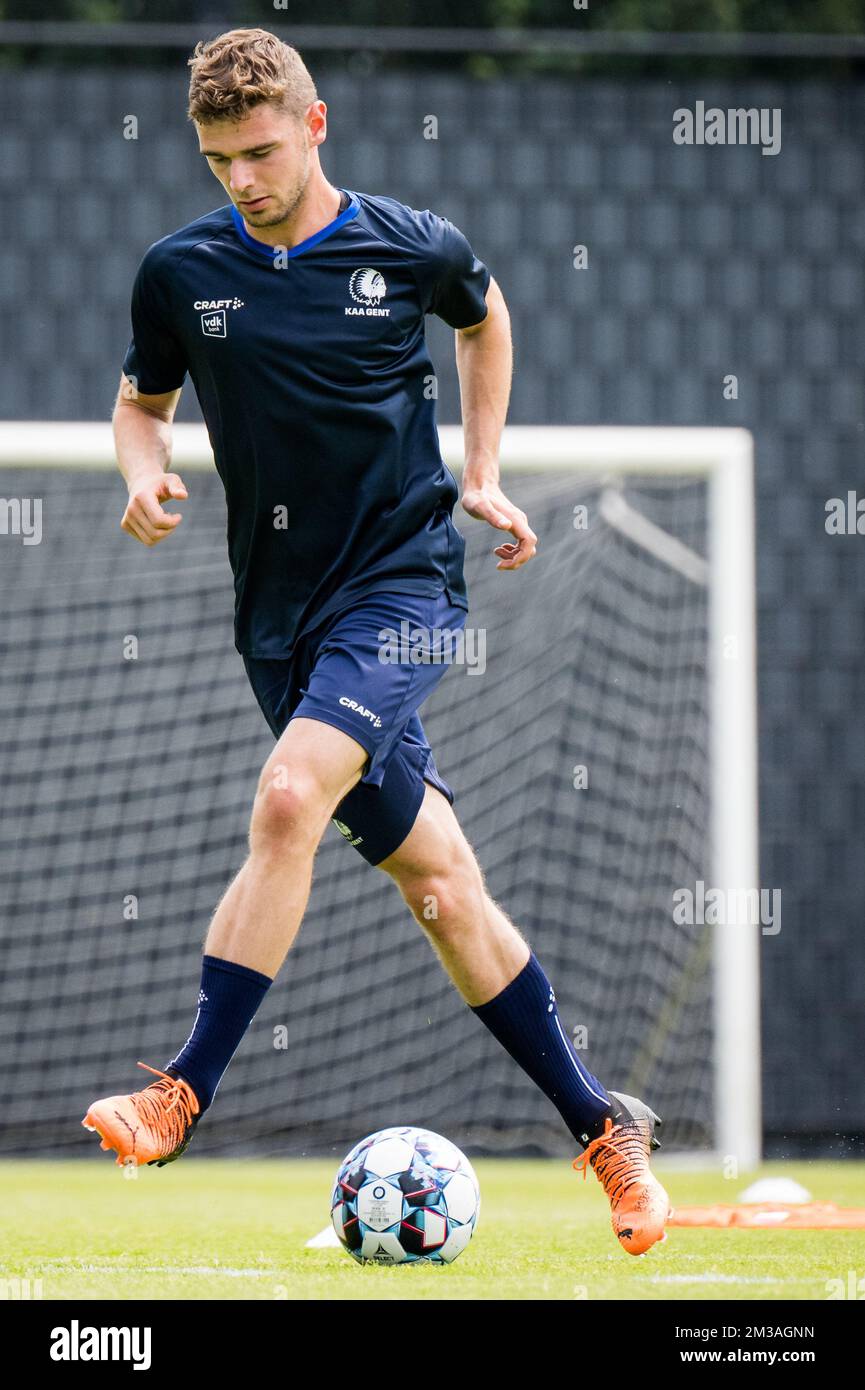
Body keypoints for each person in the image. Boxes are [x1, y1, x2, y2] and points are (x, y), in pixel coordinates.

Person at [82, 27, 670, 1256]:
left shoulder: (406, 244)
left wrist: (485, 468)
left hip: (401, 595)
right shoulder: (180, 271)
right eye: (215, 160)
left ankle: (180, 1091)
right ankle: (602, 1123)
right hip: (279, 624)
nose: (240, 180)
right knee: (444, 889)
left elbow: (485, 314)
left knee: (291, 794)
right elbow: (142, 406)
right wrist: (141, 475)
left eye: (258, 151)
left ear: (315, 124)